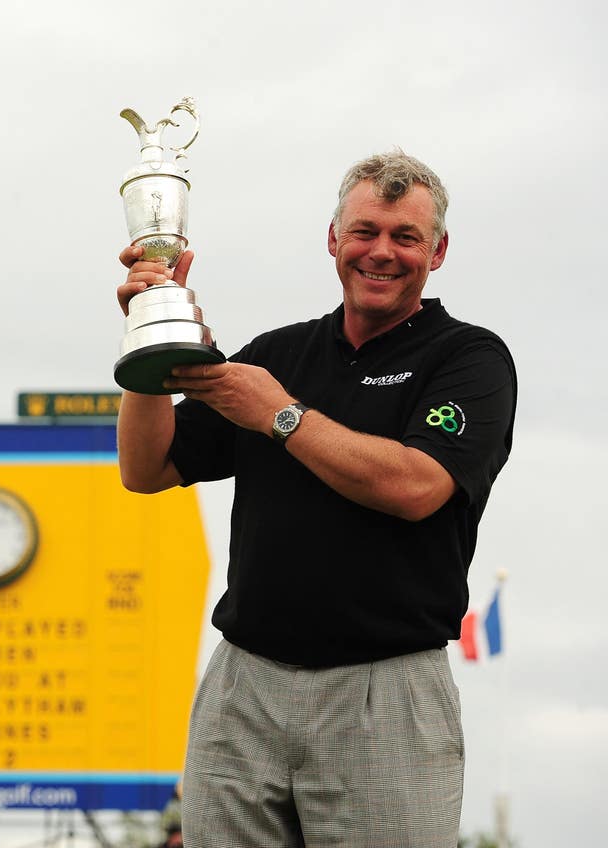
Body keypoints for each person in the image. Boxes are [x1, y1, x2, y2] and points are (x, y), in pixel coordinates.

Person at [116, 150, 516, 847]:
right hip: (244, 687)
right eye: (364, 231)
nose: (381, 252)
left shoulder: (469, 359)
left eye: (405, 237)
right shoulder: (279, 354)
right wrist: (149, 340)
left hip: (384, 693)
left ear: (438, 251)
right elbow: (147, 467)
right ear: (334, 240)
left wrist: (280, 414)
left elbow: (417, 487)